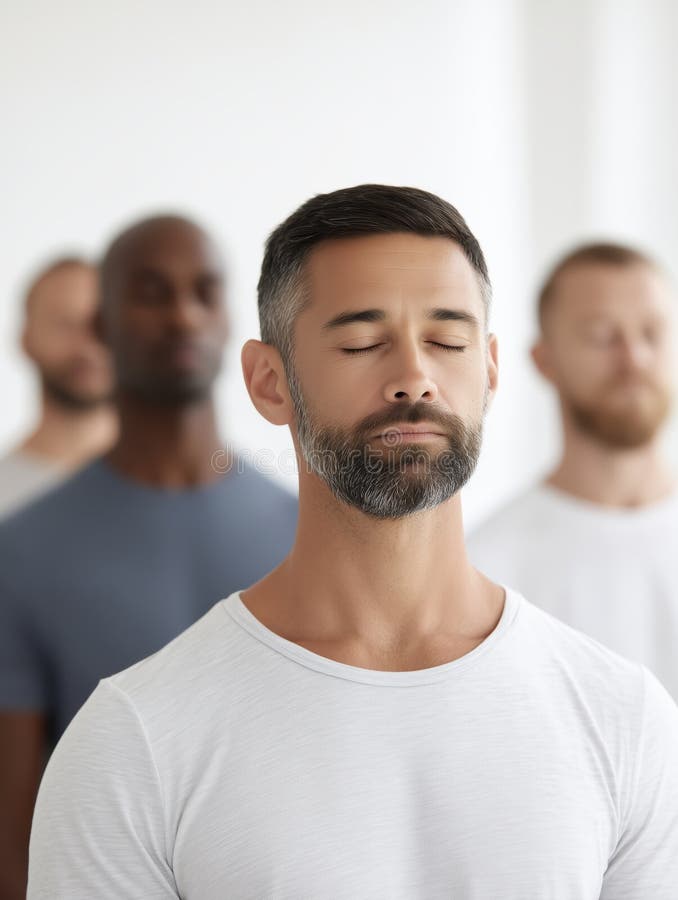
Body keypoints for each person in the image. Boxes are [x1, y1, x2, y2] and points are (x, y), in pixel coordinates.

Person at [28, 189, 678, 899]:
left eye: (448, 340)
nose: (413, 378)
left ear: (490, 370)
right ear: (268, 382)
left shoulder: (624, 719)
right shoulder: (135, 743)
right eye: (362, 343)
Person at [0, 215, 297, 900]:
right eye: (151, 291)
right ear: (101, 325)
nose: (182, 315)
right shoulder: (22, 552)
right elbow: (13, 834)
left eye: (205, 292)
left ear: (236, 323)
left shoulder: (308, 529)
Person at [468, 242, 678, 700]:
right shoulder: (487, 570)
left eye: (653, 333)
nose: (634, 358)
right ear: (544, 361)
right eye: (602, 335)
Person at [0, 256, 116, 518]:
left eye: (102, 325)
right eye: (64, 324)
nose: (88, 345)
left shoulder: (172, 487)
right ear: (26, 339)